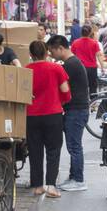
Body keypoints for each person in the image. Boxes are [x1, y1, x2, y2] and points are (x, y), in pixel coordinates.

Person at [26, 40, 69, 198]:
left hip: (31, 115)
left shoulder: (26, 70)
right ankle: (51, 186)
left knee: (35, 150)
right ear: (46, 52)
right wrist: (62, 100)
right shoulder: (56, 68)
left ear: (31, 54)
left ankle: (37, 186)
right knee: (53, 150)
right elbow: (65, 90)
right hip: (53, 114)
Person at [46, 35, 89, 192]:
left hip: (76, 110)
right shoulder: (72, 62)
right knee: (73, 145)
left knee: (74, 146)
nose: (51, 54)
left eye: (52, 51)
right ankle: (73, 177)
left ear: (60, 48)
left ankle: (78, 180)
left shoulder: (70, 64)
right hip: (76, 110)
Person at [70, 24, 104, 97]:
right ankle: (93, 103)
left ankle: (82, 102)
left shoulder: (75, 42)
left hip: (79, 68)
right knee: (92, 87)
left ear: (81, 32)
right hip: (92, 68)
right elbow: (99, 55)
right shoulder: (94, 43)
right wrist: (102, 67)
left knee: (80, 87)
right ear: (90, 33)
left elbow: (71, 55)